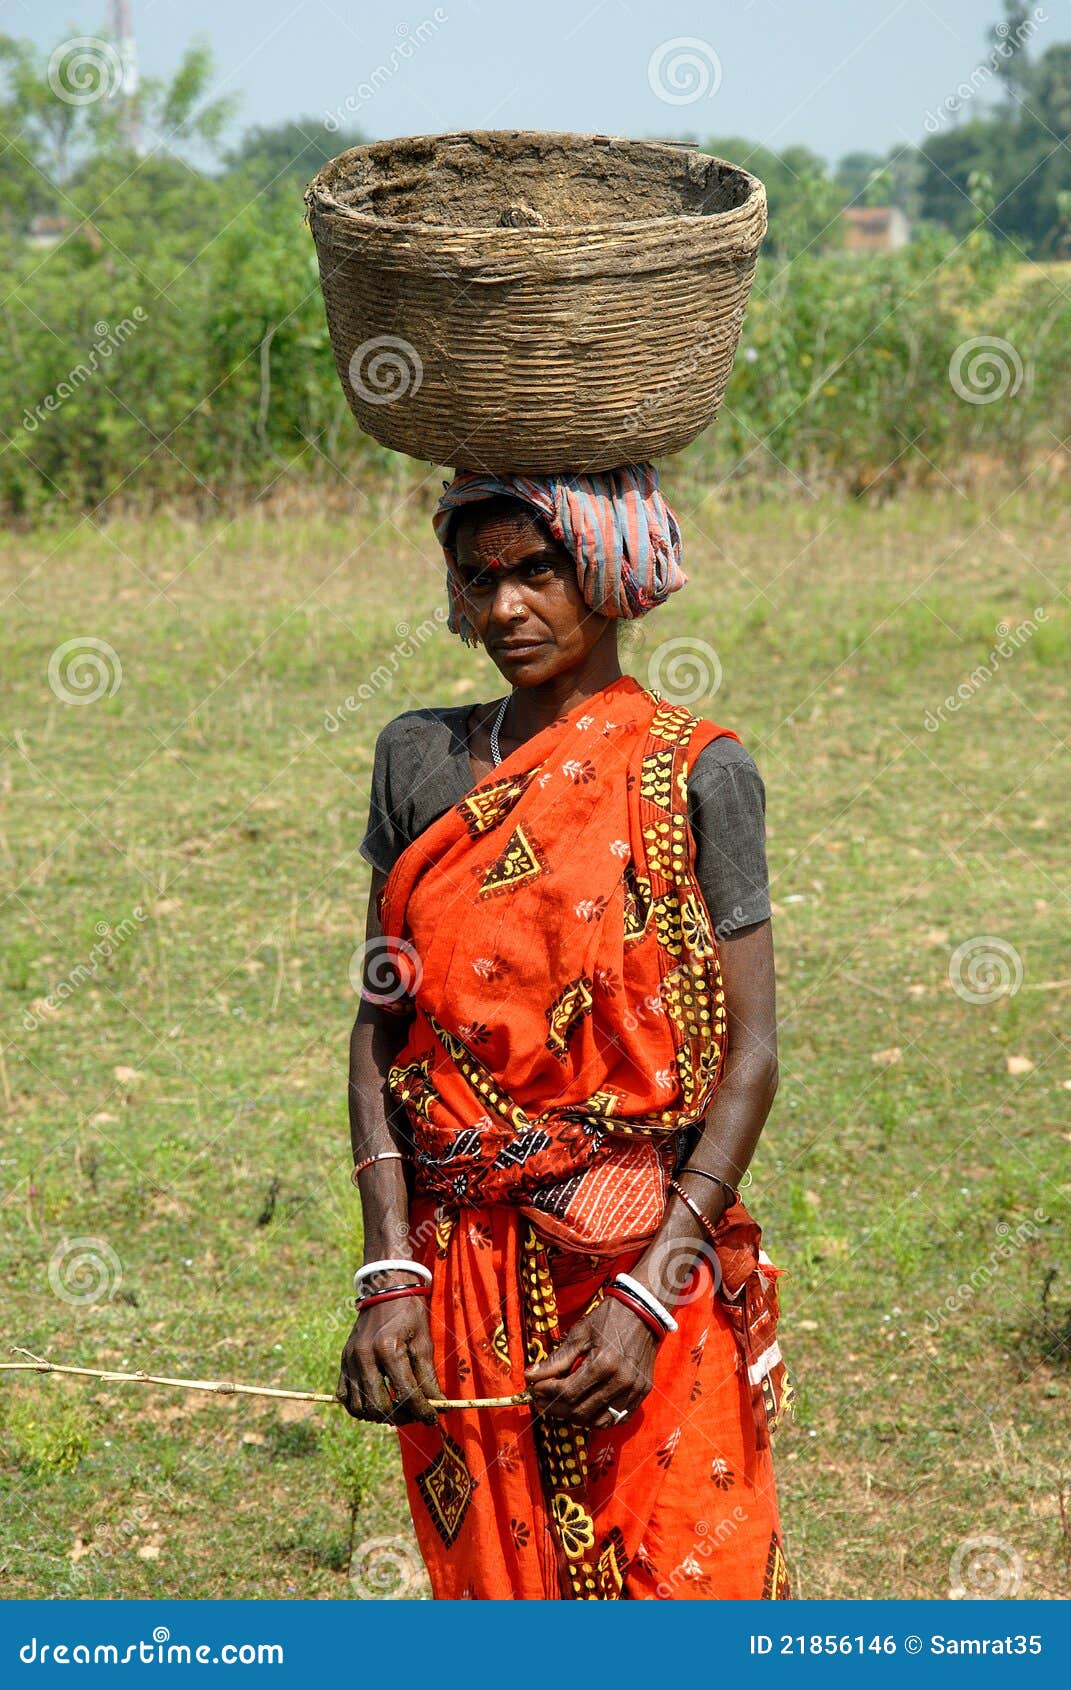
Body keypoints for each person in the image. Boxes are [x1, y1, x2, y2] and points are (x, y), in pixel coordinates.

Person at [336, 463, 795, 1601]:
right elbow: (376, 1029)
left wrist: (648, 1296)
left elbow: (752, 1057)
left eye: (537, 572)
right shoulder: (418, 759)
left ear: (607, 569)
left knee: (680, 1587)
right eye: (479, 579)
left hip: (647, 1273)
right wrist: (390, 1267)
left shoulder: (700, 771)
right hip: (460, 1277)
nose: (504, 611)